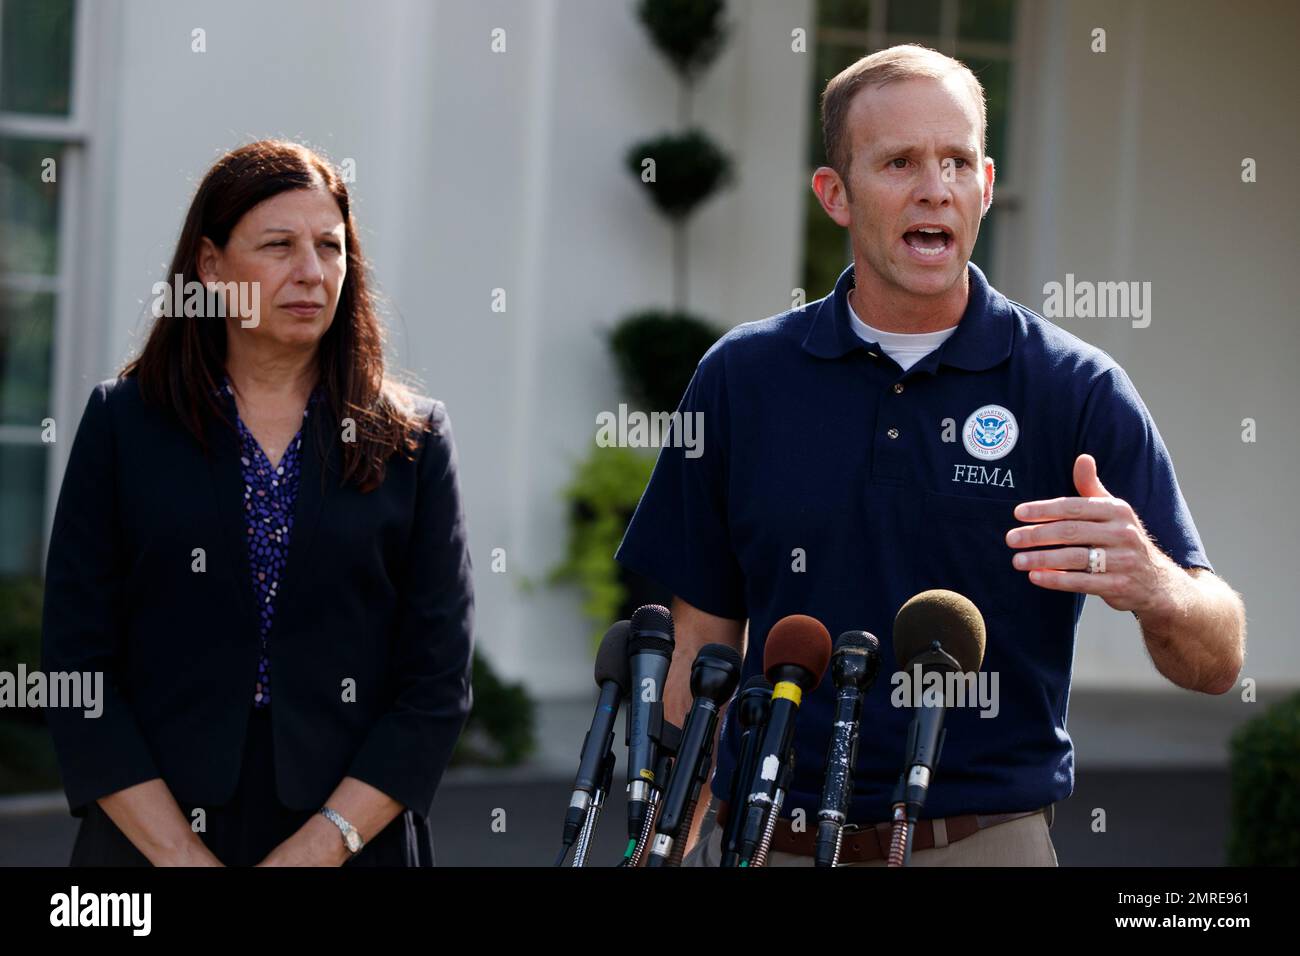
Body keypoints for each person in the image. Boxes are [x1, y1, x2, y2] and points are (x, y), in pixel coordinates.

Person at [614, 45, 1246, 867]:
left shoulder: (1074, 389)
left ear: (985, 186)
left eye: (955, 161)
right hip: (767, 842)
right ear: (834, 195)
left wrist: (1157, 584)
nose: (934, 187)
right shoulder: (742, 379)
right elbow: (701, 648)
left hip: (983, 844)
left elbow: (1217, 661)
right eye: (900, 162)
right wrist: (664, 845)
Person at [40, 140, 474, 866]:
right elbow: (78, 666)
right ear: (210, 268)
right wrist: (180, 857)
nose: (311, 272)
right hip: (146, 840)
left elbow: (434, 684)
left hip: (350, 838)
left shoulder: (412, 439)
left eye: (330, 247)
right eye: (279, 246)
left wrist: (320, 847)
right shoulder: (124, 425)